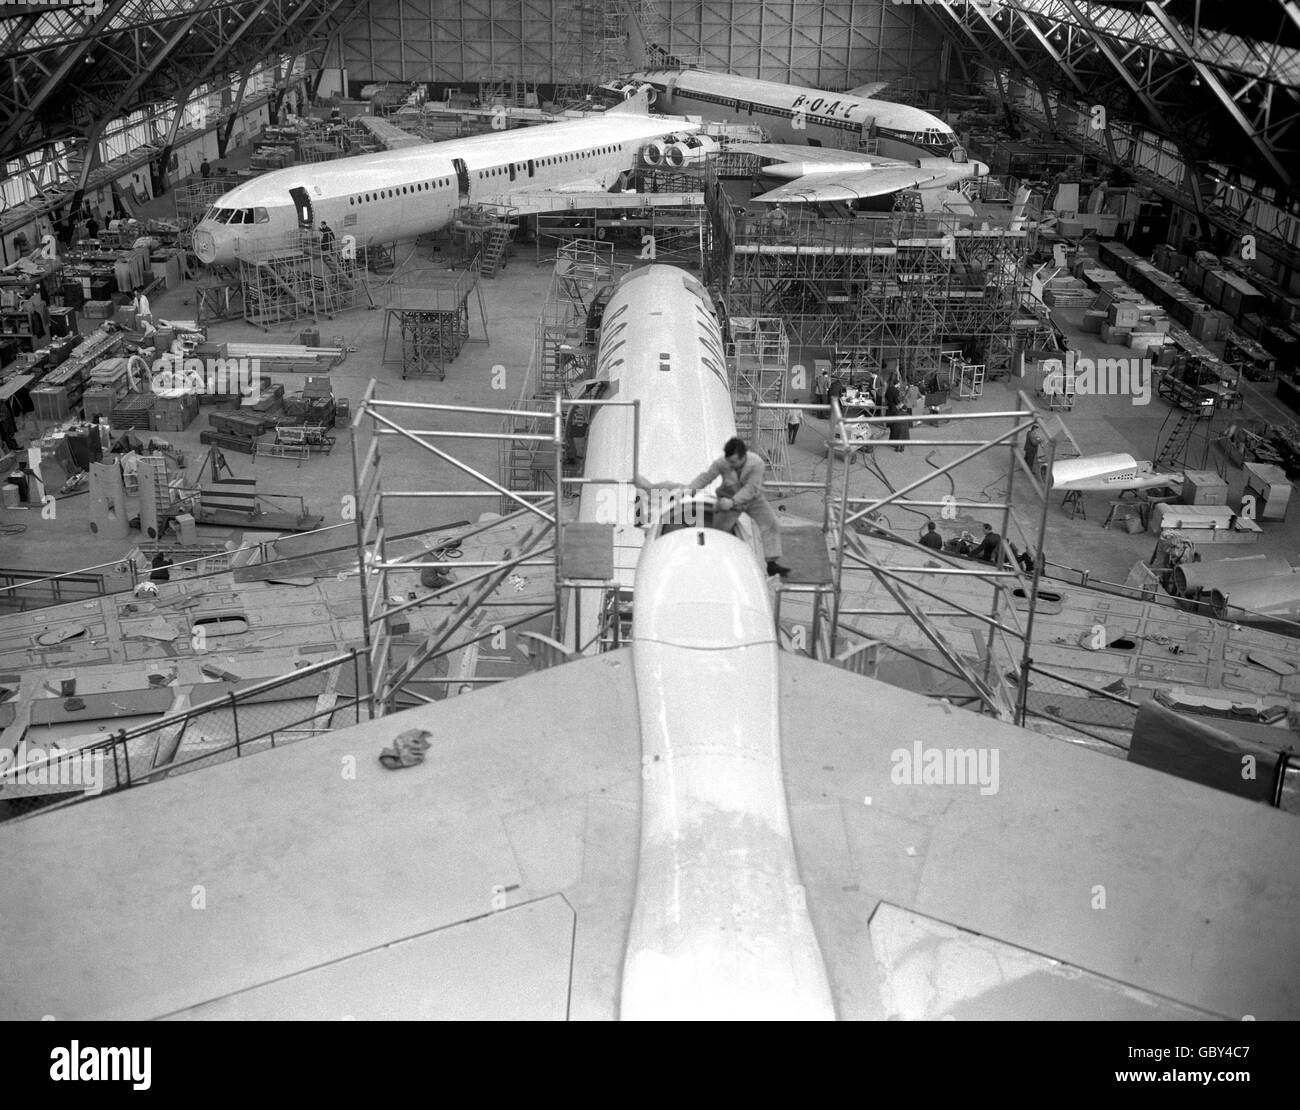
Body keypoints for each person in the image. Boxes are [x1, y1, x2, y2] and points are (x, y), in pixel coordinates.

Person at [641, 437, 790, 578]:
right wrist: (689, 490)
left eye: (733, 462)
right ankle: (709, 559)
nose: (730, 465)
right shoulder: (723, 462)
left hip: (752, 499)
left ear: (743, 457)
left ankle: (772, 562)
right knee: (719, 530)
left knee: (771, 524)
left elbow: (751, 488)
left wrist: (732, 502)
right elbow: (706, 477)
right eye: (728, 461)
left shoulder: (756, 463)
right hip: (728, 498)